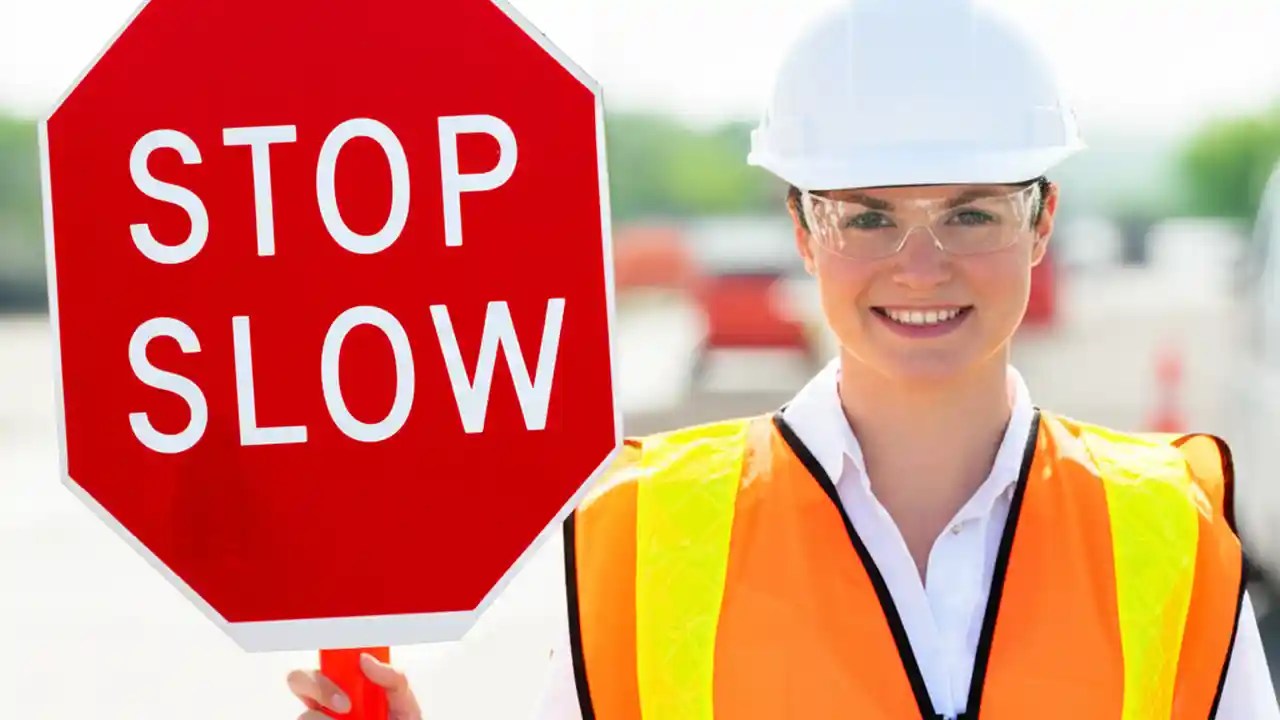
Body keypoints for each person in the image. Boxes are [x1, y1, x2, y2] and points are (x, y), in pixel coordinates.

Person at [287, 0, 1280, 717]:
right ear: (802, 231)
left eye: (969, 212)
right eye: (867, 216)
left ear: (1040, 224)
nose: (920, 265)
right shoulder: (652, 530)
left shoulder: (1168, 534)